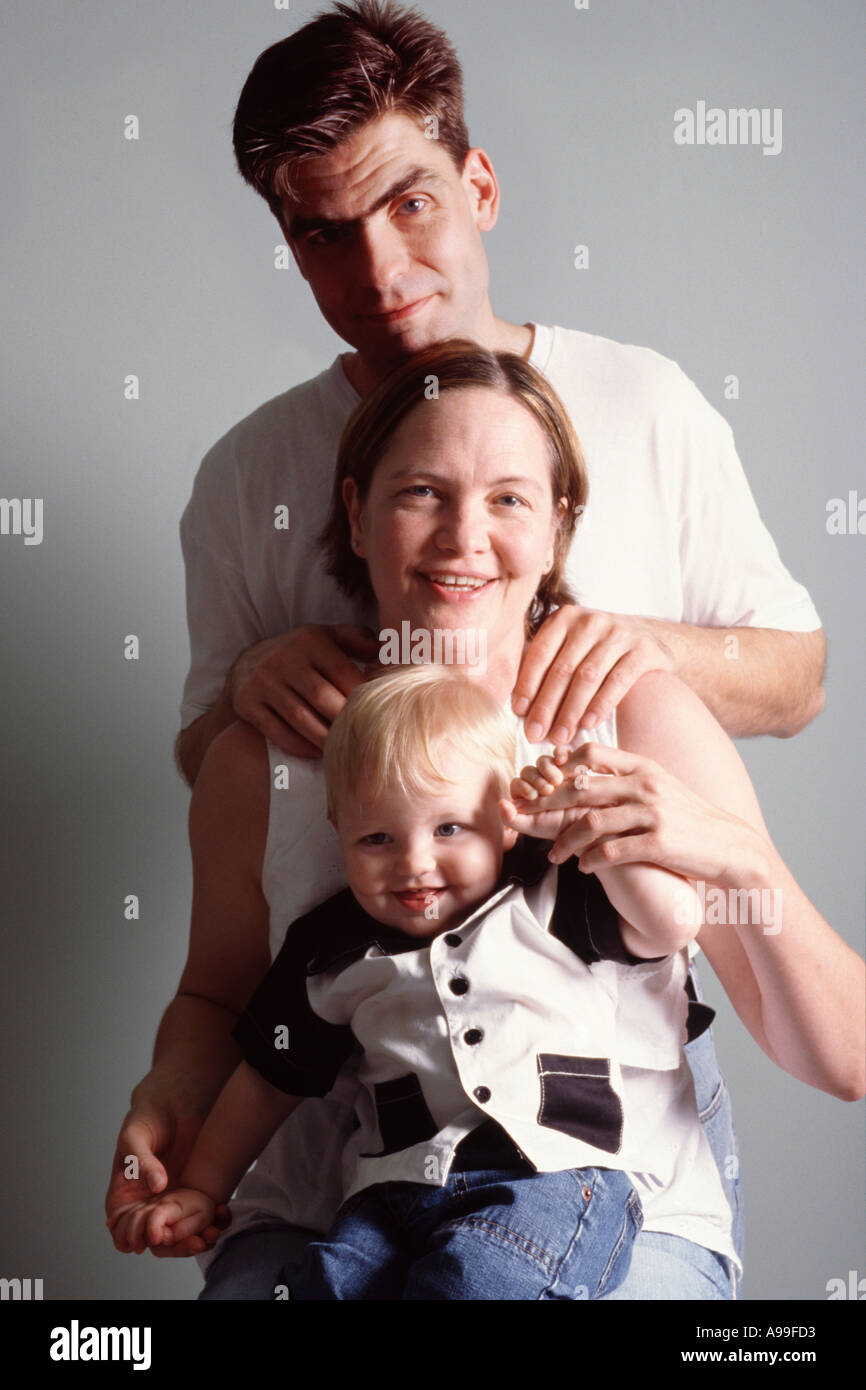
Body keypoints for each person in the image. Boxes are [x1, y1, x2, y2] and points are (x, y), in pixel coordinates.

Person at [106, 343, 864, 1302]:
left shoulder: (636, 719)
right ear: (355, 513)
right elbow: (218, 1004)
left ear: (557, 528)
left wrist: (734, 851)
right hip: (329, 1215)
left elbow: (847, 1059)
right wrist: (167, 1098)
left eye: (509, 498)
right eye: (422, 491)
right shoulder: (264, 753)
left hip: (603, 1204)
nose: (465, 537)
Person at [175, 0, 825, 794]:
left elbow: (800, 679)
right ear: (294, 252)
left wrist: (651, 650)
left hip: (622, 913)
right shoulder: (244, 471)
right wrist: (245, 686)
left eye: (410, 205)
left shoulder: (645, 400)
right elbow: (197, 756)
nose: (381, 272)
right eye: (328, 234)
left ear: (478, 189)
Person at [115, 664, 728, 1300]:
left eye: (448, 829)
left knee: (480, 1281)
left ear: (507, 819)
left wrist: (577, 825)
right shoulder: (328, 951)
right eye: (376, 837)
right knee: (323, 1283)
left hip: (551, 1176)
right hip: (392, 1193)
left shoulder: (551, 893)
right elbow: (267, 1085)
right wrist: (202, 1190)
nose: (413, 864)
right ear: (337, 830)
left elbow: (673, 922)